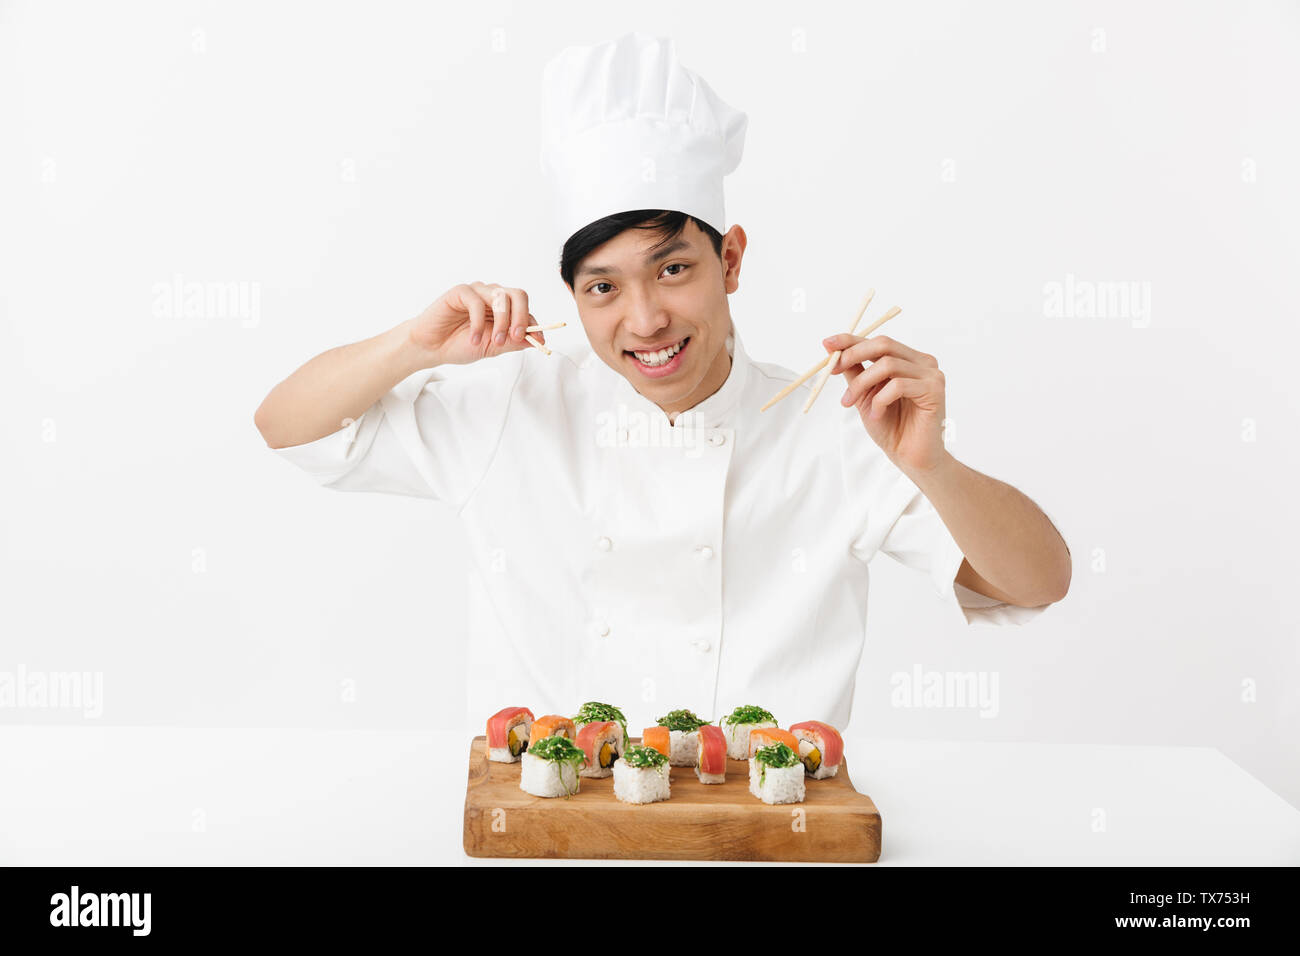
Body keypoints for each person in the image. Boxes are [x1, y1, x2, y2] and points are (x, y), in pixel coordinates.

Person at [253, 33, 1070, 734]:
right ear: (574, 296)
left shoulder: (835, 425)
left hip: (760, 838)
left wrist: (933, 465)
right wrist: (409, 345)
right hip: (550, 832)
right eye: (604, 287)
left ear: (733, 260)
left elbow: (1038, 583)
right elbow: (287, 425)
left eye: (672, 268)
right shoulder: (514, 403)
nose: (644, 320)